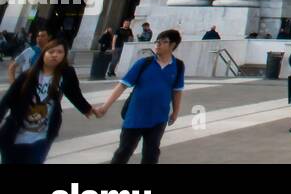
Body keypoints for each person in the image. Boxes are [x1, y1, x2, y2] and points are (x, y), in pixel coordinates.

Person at [0, 37, 97, 164]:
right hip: (14, 136)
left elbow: (74, 94)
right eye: (51, 52)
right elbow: (7, 101)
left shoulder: (66, 74)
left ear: (65, 55)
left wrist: (88, 109)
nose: (55, 55)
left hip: (42, 138)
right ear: (43, 54)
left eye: (59, 52)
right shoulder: (27, 75)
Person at [97, 29, 185, 165]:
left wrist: (175, 112)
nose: (158, 44)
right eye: (157, 41)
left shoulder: (178, 66)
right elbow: (122, 85)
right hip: (135, 117)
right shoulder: (144, 63)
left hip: (159, 118)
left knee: (151, 154)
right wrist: (105, 107)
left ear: (172, 45)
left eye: (164, 42)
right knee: (124, 152)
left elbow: (177, 91)